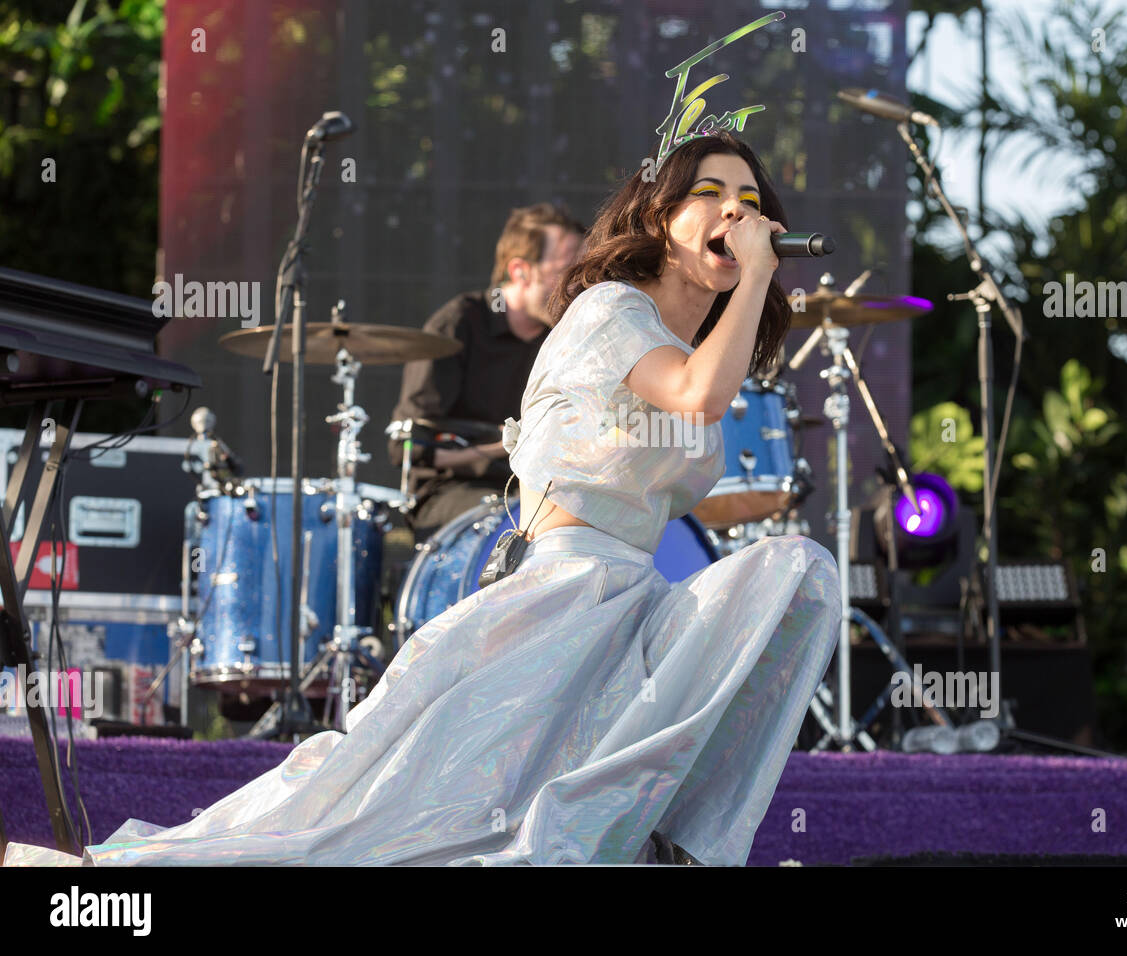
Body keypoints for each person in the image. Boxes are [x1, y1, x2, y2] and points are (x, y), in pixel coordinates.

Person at [2, 132, 840, 867]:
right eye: (710, 194)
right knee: (373, 818)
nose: (736, 213)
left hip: (637, 605)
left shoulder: (697, 344)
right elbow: (693, 395)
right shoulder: (609, 309)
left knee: (801, 571)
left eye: (751, 201)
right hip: (562, 597)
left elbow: (703, 422)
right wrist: (761, 271)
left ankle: (680, 843)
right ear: (659, 219)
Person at [388, 203, 584, 537]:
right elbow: (409, 448)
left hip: (531, 493)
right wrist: (516, 442)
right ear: (520, 270)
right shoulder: (459, 323)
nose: (577, 285)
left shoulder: (566, 336)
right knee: (525, 520)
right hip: (450, 494)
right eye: (566, 270)